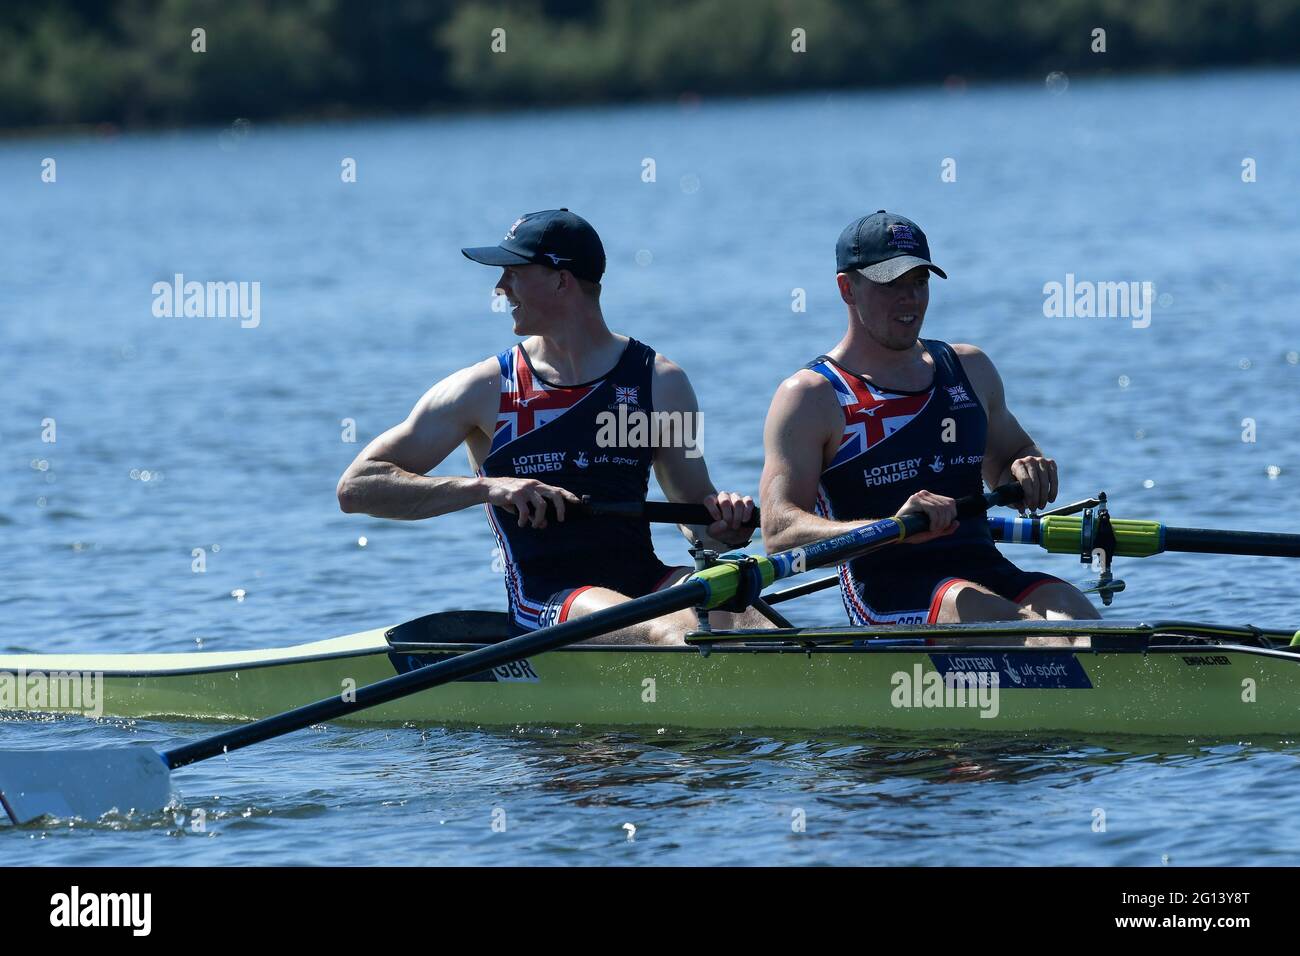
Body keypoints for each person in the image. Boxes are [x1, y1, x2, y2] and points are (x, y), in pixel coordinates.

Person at [338, 208, 767, 644]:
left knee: (747, 614)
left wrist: (721, 525)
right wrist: (487, 488)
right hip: (548, 599)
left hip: (646, 578)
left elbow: (694, 509)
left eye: (514, 272)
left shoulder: (659, 382)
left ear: (562, 280)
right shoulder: (485, 390)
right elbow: (357, 488)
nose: (500, 287)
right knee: (667, 631)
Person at [759, 210, 1098, 636]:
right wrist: (891, 529)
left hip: (983, 568)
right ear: (848, 288)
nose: (911, 299)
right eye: (891, 284)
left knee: (1071, 607)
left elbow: (1009, 459)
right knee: (989, 615)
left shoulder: (969, 369)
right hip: (888, 594)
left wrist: (1028, 468)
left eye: (919, 282)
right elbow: (778, 530)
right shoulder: (811, 397)